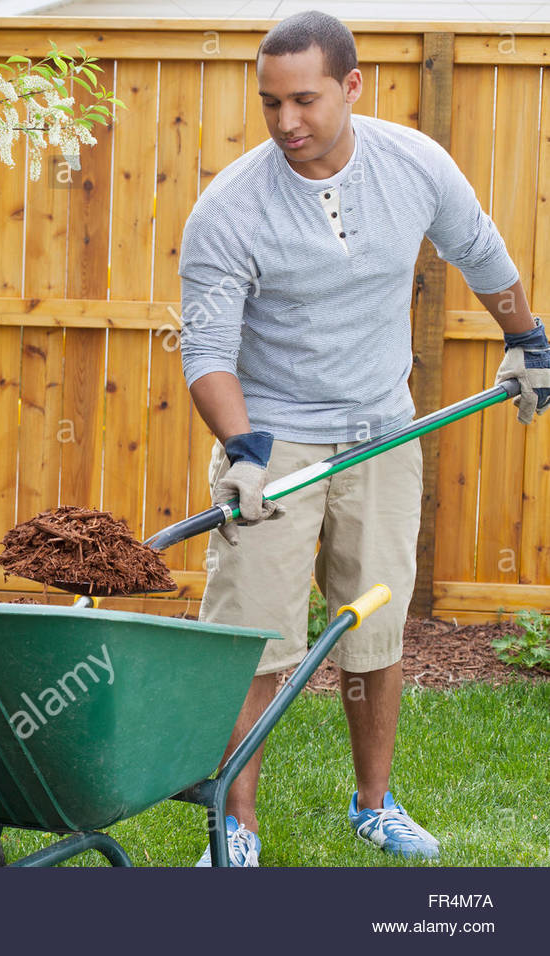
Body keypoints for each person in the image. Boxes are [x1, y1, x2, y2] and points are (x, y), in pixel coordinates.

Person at [177, 10, 550, 867]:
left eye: (303, 100)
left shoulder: (414, 165)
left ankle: (374, 805)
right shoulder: (230, 207)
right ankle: (236, 828)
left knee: (373, 634)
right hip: (276, 443)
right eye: (270, 103)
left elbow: (484, 255)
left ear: (352, 86)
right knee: (255, 639)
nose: (285, 123)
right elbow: (205, 350)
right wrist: (241, 450)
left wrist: (528, 340)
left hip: (382, 432)